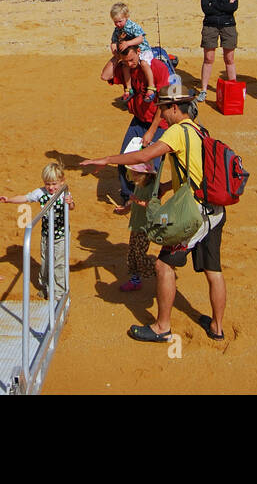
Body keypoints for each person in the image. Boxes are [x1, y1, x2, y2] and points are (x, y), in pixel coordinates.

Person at [81, 83, 227, 342]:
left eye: (163, 108)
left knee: (163, 265)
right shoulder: (199, 129)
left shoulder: (177, 132)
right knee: (213, 270)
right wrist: (169, 187)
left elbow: (145, 154)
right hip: (215, 209)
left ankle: (162, 327)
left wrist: (106, 160)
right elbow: (195, 173)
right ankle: (216, 327)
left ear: (173, 107)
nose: (161, 114)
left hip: (194, 215)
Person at [109, 42, 170, 215]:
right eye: (125, 61)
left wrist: (152, 130)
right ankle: (129, 197)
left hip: (158, 123)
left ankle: (151, 201)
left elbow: (162, 102)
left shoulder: (158, 67)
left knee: (151, 166)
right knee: (124, 160)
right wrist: (116, 56)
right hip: (139, 119)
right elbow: (105, 74)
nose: (129, 64)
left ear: (139, 52)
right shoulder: (126, 66)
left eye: (131, 59)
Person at [0, 163, 74, 295]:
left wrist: (70, 202)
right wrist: (9, 200)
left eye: (54, 184)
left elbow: (72, 206)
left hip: (61, 235)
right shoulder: (40, 193)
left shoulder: (64, 193)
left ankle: (58, 292)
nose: (51, 187)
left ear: (62, 181)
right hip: (46, 234)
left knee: (59, 263)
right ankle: (45, 286)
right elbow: (25, 198)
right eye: (47, 184)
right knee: (45, 261)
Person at [199, 0, 238, 103]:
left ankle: (233, 88)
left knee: (229, 58)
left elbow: (233, 7)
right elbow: (206, 8)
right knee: (208, 58)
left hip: (228, 24)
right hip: (211, 25)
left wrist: (216, 5)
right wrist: (224, 5)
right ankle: (203, 90)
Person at [100, 2, 156, 98]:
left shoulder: (133, 26)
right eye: (115, 22)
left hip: (143, 50)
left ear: (126, 17)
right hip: (128, 52)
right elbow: (113, 42)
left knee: (144, 64)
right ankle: (129, 88)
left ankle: (151, 86)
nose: (117, 24)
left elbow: (140, 38)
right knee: (125, 67)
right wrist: (115, 51)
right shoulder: (117, 30)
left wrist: (128, 43)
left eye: (120, 21)